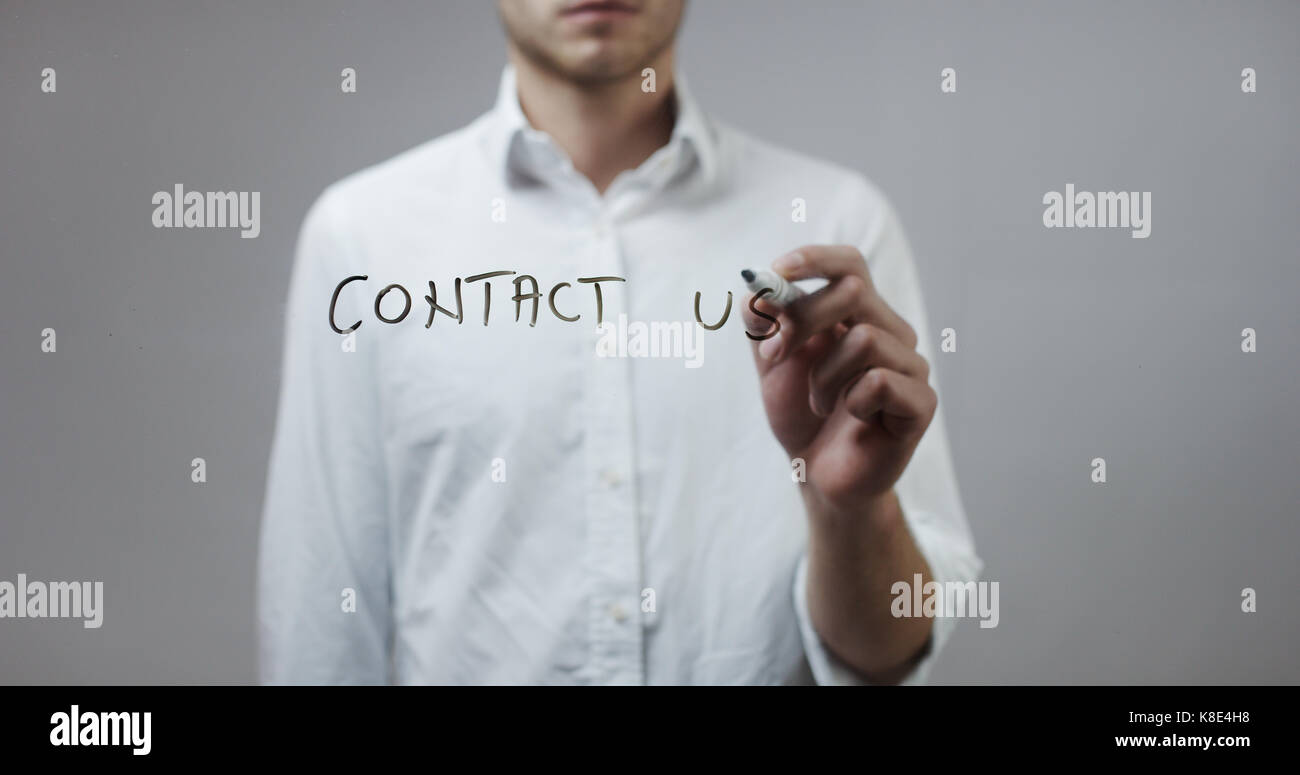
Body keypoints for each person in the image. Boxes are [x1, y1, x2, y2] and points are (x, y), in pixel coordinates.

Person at [258, 0, 981, 685]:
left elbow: (890, 657)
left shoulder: (834, 227)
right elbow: (320, 632)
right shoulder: (362, 239)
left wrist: (850, 512)